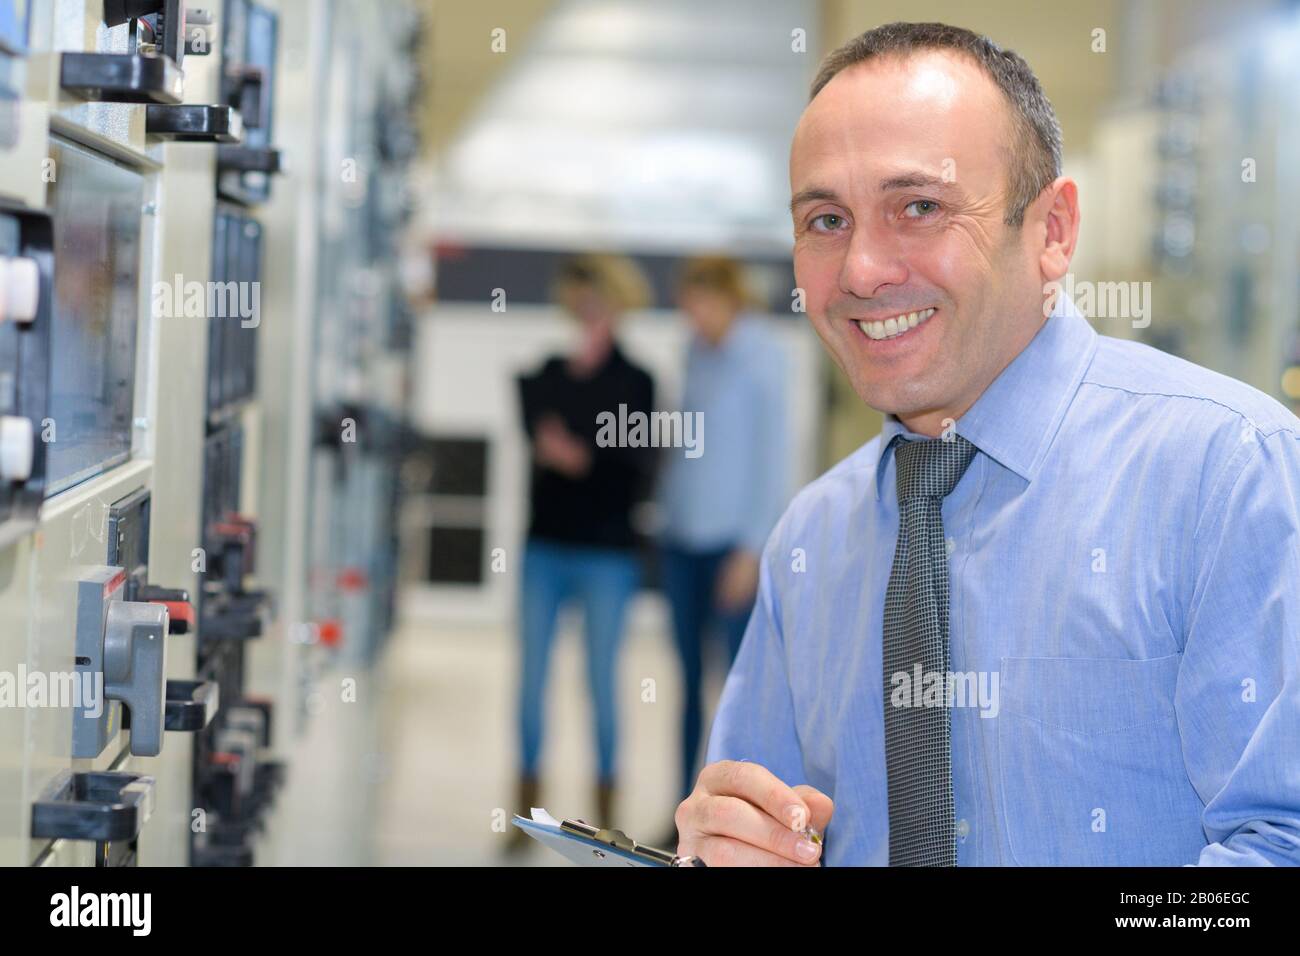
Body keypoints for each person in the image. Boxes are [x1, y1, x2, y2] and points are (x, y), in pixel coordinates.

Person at [675, 22, 1300, 866]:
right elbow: (770, 821)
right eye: (825, 220)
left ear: (1052, 232)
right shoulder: (812, 543)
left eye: (919, 207)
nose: (860, 270)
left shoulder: (1226, 476)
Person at [506, 254, 656, 853]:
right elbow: (540, 434)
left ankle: (604, 820)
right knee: (531, 680)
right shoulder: (548, 373)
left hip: (606, 554)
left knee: (600, 681)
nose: (588, 309)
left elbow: (634, 467)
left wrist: (583, 459)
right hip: (546, 545)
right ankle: (524, 810)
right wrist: (582, 454)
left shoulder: (635, 381)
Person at [656, 256, 790, 817]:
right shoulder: (694, 353)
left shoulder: (764, 356)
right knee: (687, 681)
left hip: (732, 548)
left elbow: (772, 458)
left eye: (700, 304)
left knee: (738, 692)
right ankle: (685, 808)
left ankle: (739, 816)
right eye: (687, 306)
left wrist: (751, 550)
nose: (693, 317)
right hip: (681, 539)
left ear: (729, 298)